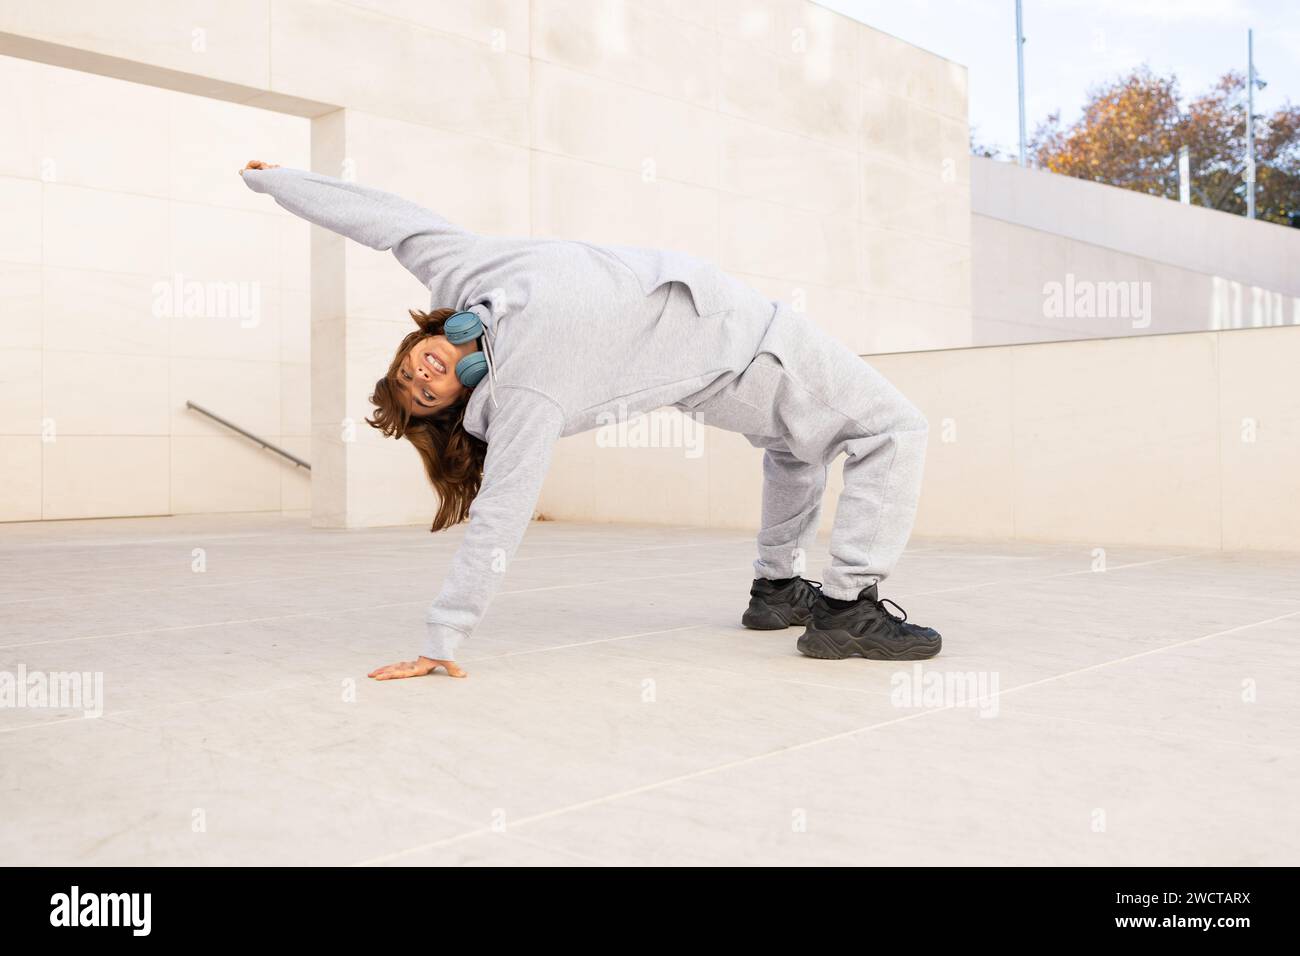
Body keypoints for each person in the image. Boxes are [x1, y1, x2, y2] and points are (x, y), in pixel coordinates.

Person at [239, 160, 942, 680]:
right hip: (751, 345)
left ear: (417, 344)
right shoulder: (523, 398)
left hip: (718, 353)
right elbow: (501, 516)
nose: (419, 379)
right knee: (893, 428)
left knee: (798, 447)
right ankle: (849, 609)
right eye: (423, 398)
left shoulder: (463, 271)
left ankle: (777, 589)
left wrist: (281, 182)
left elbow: (388, 223)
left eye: (407, 373)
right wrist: (443, 636)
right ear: (455, 405)